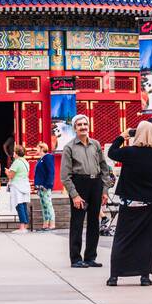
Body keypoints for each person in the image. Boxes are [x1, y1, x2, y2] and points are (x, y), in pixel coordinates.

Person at [105, 121, 152, 286]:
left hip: (130, 203)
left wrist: (122, 136)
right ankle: (144, 276)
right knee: (147, 240)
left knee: (122, 238)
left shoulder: (128, 153)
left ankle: (114, 276)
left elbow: (111, 153)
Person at [61, 114, 113, 269]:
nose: (83, 127)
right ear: (75, 128)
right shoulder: (69, 147)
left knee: (94, 223)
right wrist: (74, 195)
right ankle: (76, 259)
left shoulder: (96, 145)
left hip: (96, 183)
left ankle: (90, 257)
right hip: (79, 184)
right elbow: (65, 175)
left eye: (85, 124)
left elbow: (104, 168)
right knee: (77, 223)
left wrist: (105, 190)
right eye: (79, 125)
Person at [6, 144, 32, 232]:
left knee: (19, 205)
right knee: (24, 205)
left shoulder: (16, 162)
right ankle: (25, 225)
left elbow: (11, 175)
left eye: (14, 151)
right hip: (24, 185)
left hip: (17, 186)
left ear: (16, 153)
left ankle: (21, 227)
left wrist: (7, 172)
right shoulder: (26, 162)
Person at [32, 141, 57, 231]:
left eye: (38, 148)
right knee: (44, 205)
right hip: (41, 186)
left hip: (45, 186)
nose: (36, 150)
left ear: (42, 149)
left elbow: (51, 172)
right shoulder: (41, 159)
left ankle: (52, 223)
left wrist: (48, 184)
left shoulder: (48, 157)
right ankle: (45, 224)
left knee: (48, 204)